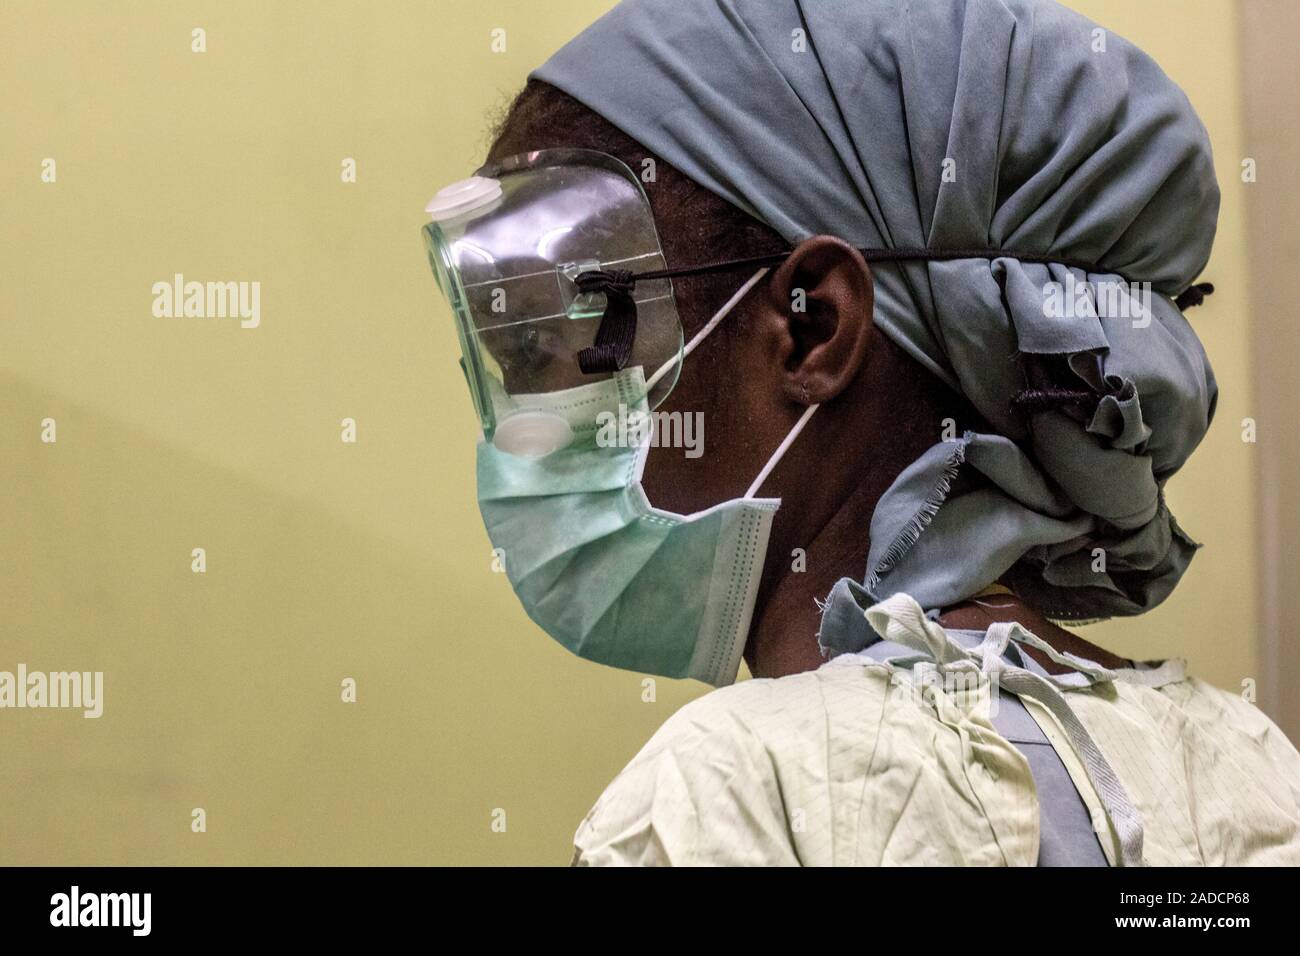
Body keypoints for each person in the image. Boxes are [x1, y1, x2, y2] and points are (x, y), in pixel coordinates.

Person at [423, 0, 1300, 865]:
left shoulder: (730, 795)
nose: (524, 436)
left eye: (551, 351)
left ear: (811, 328)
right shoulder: (1252, 770)